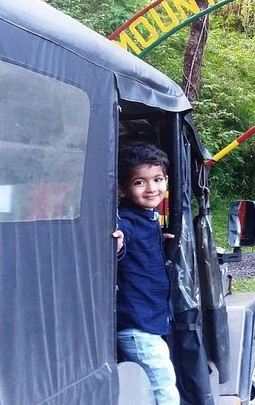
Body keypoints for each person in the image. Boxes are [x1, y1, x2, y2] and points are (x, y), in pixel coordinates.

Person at [114, 142, 179, 405]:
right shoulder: (126, 219)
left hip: (148, 322)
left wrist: (158, 239)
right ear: (122, 188)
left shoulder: (148, 217)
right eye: (140, 182)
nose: (152, 188)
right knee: (164, 390)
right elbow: (121, 233)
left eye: (158, 179)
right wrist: (117, 240)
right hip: (137, 326)